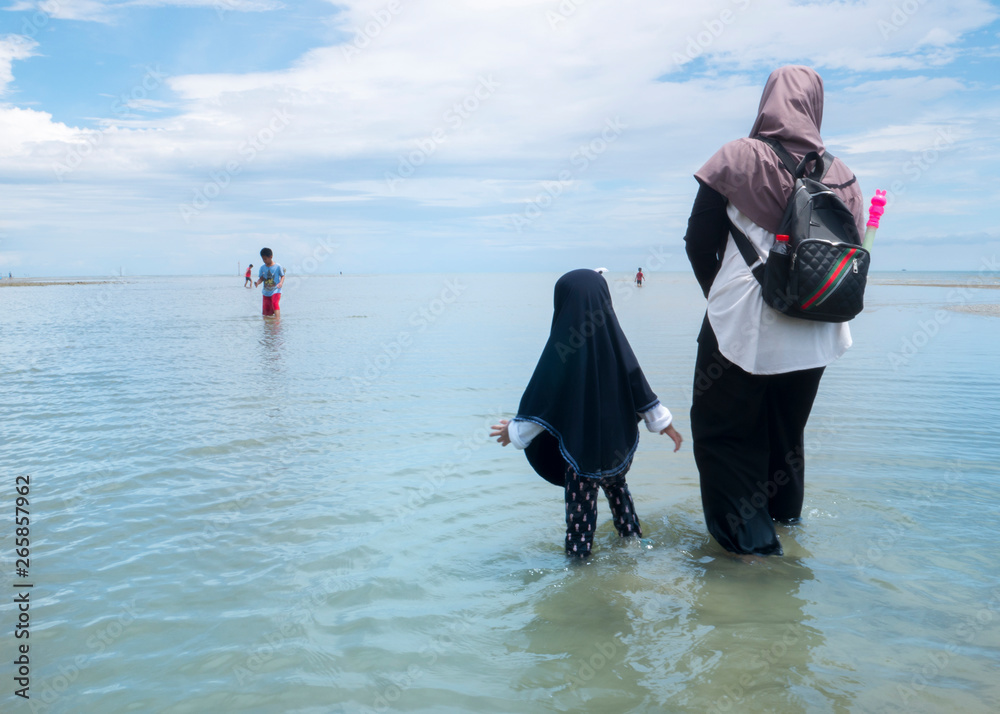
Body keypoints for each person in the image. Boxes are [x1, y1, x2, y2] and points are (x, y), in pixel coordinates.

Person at [683, 66, 865, 556]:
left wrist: (719, 297)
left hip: (744, 321)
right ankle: (785, 524)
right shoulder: (843, 173)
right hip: (819, 327)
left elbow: (699, 240)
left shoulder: (740, 156)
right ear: (815, 104)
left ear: (767, 100)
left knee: (724, 435)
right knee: (786, 436)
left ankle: (751, 553)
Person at [490, 269, 683, 558]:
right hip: (617, 448)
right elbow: (638, 383)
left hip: (580, 453)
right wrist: (664, 424)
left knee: (580, 516)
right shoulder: (617, 343)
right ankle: (632, 542)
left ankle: (580, 561)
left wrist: (514, 432)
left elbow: (545, 398)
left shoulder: (561, 350)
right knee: (619, 493)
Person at [254, 248, 285, 318]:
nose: (264, 261)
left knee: (275, 303)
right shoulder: (262, 268)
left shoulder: (278, 267)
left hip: (276, 289)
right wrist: (257, 283)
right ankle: (268, 325)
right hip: (266, 291)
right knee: (266, 312)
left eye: (265, 259)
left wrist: (281, 283)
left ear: (271, 257)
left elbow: (283, 276)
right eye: (263, 259)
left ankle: (277, 321)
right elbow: (261, 278)